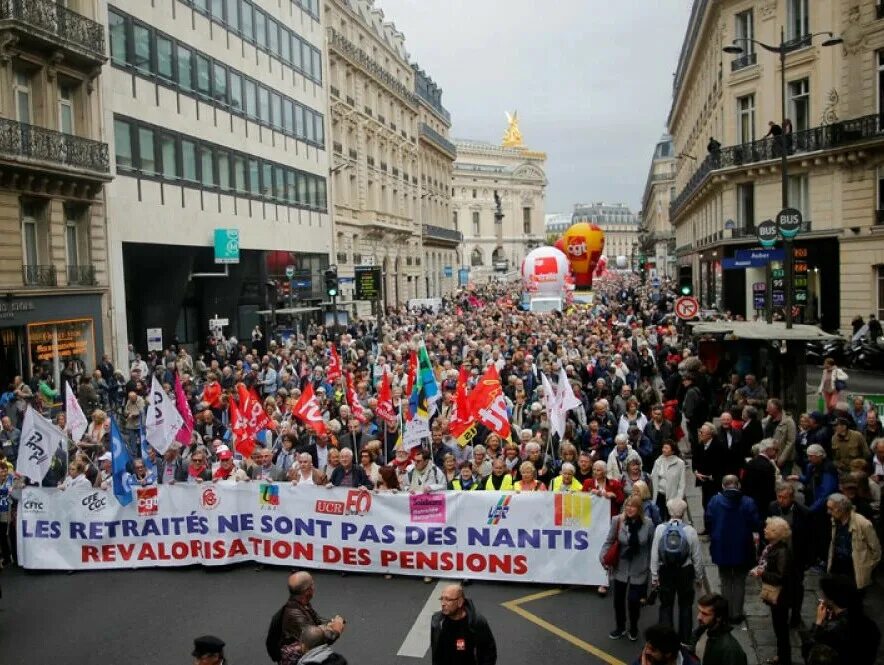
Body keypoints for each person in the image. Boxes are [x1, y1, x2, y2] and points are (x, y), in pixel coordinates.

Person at [704, 475, 761, 624]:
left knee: (725, 580)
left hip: (721, 546)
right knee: (740, 580)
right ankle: (737, 613)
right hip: (743, 547)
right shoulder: (748, 502)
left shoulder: (715, 501)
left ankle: (726, 613)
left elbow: (709, 521)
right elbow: (755, 523)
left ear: (723, 486)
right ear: (739, 485)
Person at [649, 498, 703, 644]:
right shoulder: (690, 531)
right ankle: (685, 639)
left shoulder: (660, 529)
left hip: (665, 571)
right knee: (685, 605)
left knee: (666, 605)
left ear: (669, 511)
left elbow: (655, 554)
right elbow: (696, 557)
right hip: (685, 571)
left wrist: (654, 576)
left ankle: (666, 639)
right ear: (684, 512)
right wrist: (699, 577)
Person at [602, 495, 654, 642]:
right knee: (618, 601)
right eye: (627, 506)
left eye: (633, 506)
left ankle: (633, 627)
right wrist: (603, 557)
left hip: (640, 568)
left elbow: (651, 547)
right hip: (621, 567)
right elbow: (609, 541)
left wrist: (652, 568)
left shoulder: (648, 524)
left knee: (634, 601)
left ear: (639, 509)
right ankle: (620, 627)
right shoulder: (617, 521)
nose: (630, 509)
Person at [801, 574, 881, 665]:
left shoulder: (831, 633)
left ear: (831, 600)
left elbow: (809, 654)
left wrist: (818, 624)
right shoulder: (870, 625)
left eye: (823, 594)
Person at [750, 517, 793, 665]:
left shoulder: (781, 552)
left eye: (768, 528)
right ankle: (781, 656)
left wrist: (763, 574)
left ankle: (784, 658)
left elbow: (780, 576)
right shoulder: (772, 547)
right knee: (778, 626)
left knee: (781, 628)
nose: (764, 529)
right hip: (779, 596)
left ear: (776, 532)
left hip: (781, 596)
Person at [768, 482, 811, 627]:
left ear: (792, 497)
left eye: (784, 497)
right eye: (779, 497)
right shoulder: (773, 507)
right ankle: (781, 611)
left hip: (795, 556)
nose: (781, 500)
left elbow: (809, 537)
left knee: (797, 586)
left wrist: (808, 559)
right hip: (778, 556)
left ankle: (796, 614)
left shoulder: (803, 512)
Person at [280, 572, 345, 663]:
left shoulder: (302, 604)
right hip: (298, 658)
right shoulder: (295, 614)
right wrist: (336, 630)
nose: (314, 587)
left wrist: (330, 623)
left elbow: (316, 621)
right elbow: (315, 641)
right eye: (312, 584)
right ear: (308, 590)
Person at [825, 493, 881, 593]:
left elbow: (876, 552)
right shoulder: (834, 520)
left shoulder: (863, 524)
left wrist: (866, 567)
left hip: (854, 572)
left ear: (841, 509)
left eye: (831, 508)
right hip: (838, 567)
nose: (828, 512)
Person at [429, 583, 497, 665]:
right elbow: (436, 654)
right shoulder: (437, 621)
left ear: (460, 602)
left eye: (448, 600)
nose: (443, 603)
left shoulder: (477, 622)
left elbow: (488, 652)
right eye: (442, 599)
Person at [690, 593, 748, 665]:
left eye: (705, 614)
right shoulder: (702, 631)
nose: (698, 617)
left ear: (719, 618)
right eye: (699, 611)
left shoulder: (730, 650)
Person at [741, 438, 779, 522]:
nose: (777, 452)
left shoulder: (750, 463)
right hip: (763, 504)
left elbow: (744, 483)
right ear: (768, 449)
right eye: (775, 450)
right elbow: (770, 489)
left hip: (749, 501)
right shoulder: (768, 466)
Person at [650, 441, 685, 521]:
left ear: (672, 451)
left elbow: (681, 483)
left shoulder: (680, 463)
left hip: (673, 496)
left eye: (666, 448)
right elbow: (653, 477)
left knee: (672, 518)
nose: (663, 450)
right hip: (659, 494)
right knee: (659, 518)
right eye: (663, 447)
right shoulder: (658, 461)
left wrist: (679, 499)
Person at [632, 624, 700, 665]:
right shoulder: (646, 659)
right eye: (647, 646)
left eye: (653, 650)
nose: (646, 651)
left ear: (668, 654)